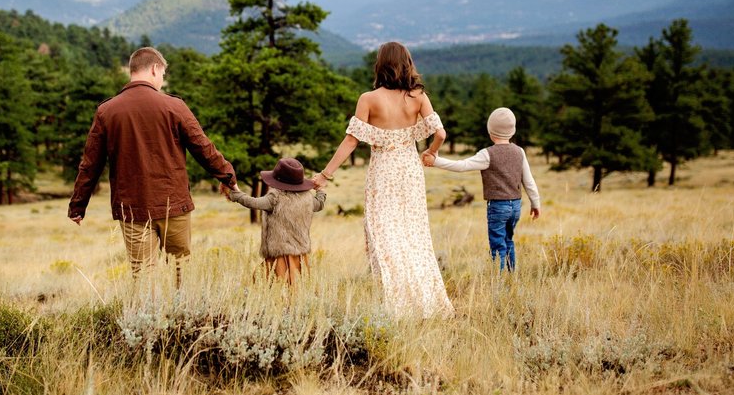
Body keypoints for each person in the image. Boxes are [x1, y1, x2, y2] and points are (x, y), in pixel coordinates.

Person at [68, 47, 237, 286]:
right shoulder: (175, 106)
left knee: (143, 275)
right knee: (182, 270)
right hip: (174, 203)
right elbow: (203, 147)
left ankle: (149, 323)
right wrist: (228, 177)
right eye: (163, 75)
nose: (162, 81)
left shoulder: (106, 111)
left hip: (132, 208)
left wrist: (78, 205)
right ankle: (184, 321)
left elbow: (90, 164)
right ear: (155, 69)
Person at [313, 42, 453, 317]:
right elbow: (440, 134)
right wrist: (430, 153)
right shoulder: (418, 97)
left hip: (383, 172)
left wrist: (325, 174)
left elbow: (351, 141)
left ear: (380, 65)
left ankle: (398, 305)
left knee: (384, 236)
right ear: (407, 63)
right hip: (410, 170)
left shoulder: (368, 99)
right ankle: (428, 304)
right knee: (415, 236)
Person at [422, 107, 541, 272]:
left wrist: (435, 161)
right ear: (512, 131)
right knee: (508, 240)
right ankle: (511, 276)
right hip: (516, 206)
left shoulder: (487, 154)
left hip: (498, 207)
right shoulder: (519, 152)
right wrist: (536, 203)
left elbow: (462, 165)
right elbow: (529, 181)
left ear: (490, 132)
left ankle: (497, 282)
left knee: (498, 245)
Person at [227, 157, 327, 287]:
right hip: (301, 256)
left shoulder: (276, 197)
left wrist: (235, 193)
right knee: (299, 289)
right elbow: (319, 204)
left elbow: (252, 202)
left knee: (272, 289)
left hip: (279, 256)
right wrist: (320, 189)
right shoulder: (307, 198)